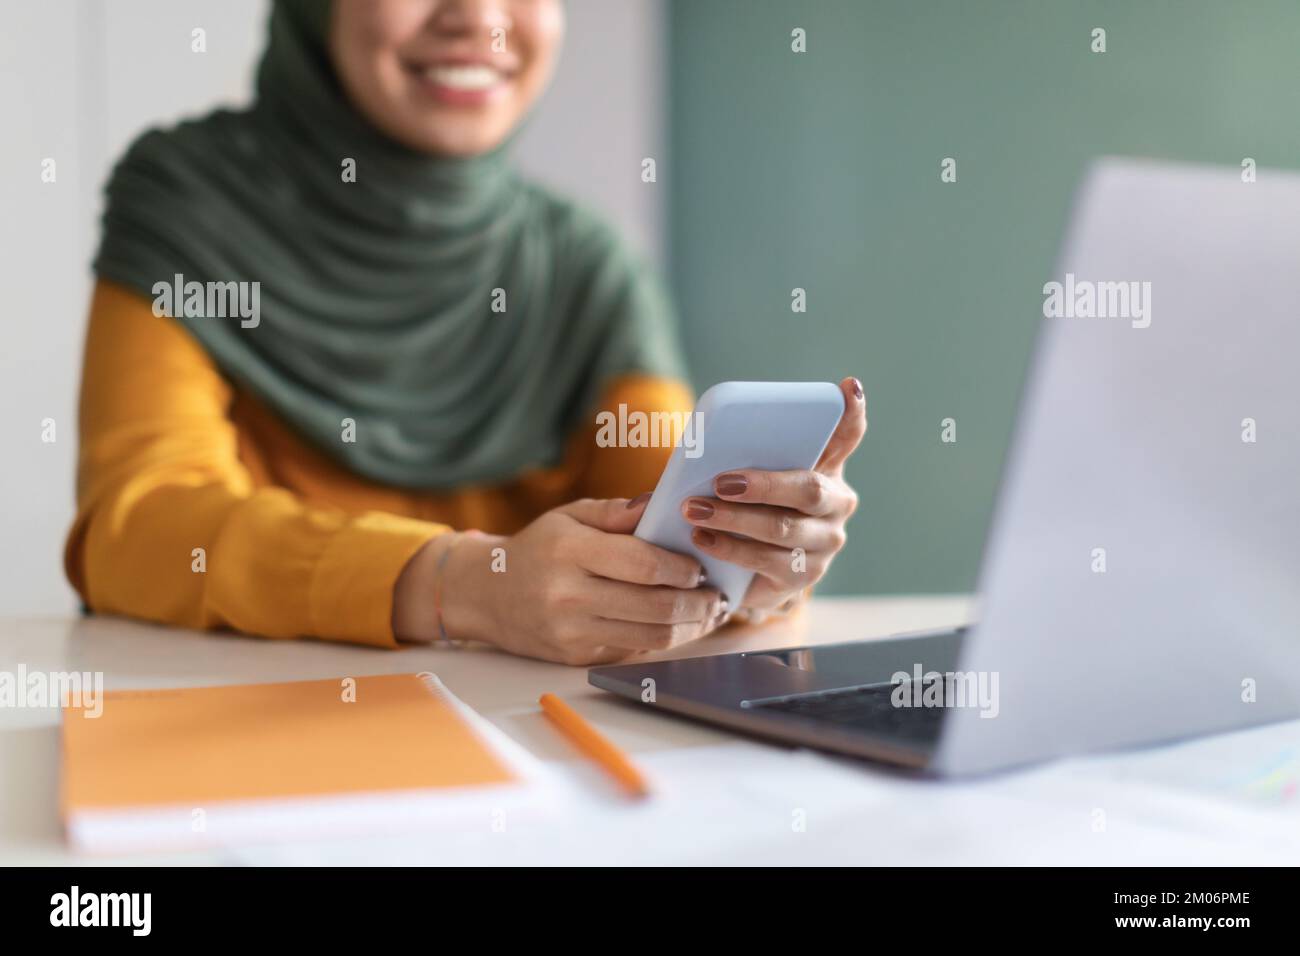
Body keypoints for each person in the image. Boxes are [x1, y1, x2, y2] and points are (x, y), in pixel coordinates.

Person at [64, 0, 865, 665]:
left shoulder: (584, 262)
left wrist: (746, 565)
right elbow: (137, 526)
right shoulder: (188, 203)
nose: (479, 20)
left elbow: (663, 514)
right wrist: (459, 584)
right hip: (238, 750)